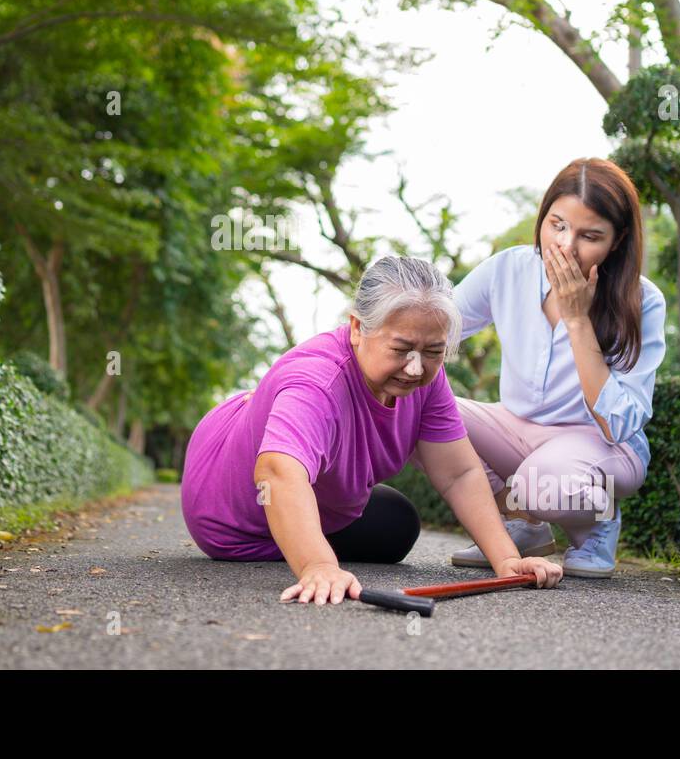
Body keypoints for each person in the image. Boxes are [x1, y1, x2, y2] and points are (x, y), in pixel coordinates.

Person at [180, 256, 563, 606]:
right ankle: (301, 541)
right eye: (401, 349)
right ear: (358, 327)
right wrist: (317, 565)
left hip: (316, 489)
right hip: (229, 513)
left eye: (433, 351)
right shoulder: (317, 382)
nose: (416, 368)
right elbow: (277, 473)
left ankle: (302, 533)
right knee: (323, 529)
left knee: (397, 525)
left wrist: (507, 559)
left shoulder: (427, 380)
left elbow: (458, 472)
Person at [436, 157, 666, 577]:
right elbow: (436, 327)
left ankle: (598, 523)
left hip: (602, 445)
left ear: (617, 241)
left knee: (538, 485)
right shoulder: (510, 269)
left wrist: (578, 319)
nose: (566, 245)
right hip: (517, 429)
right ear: (543, 217)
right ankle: (521, 527)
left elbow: (621, 422)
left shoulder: (642, 300)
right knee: (417, 406)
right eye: (557, 225)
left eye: (590, 236)